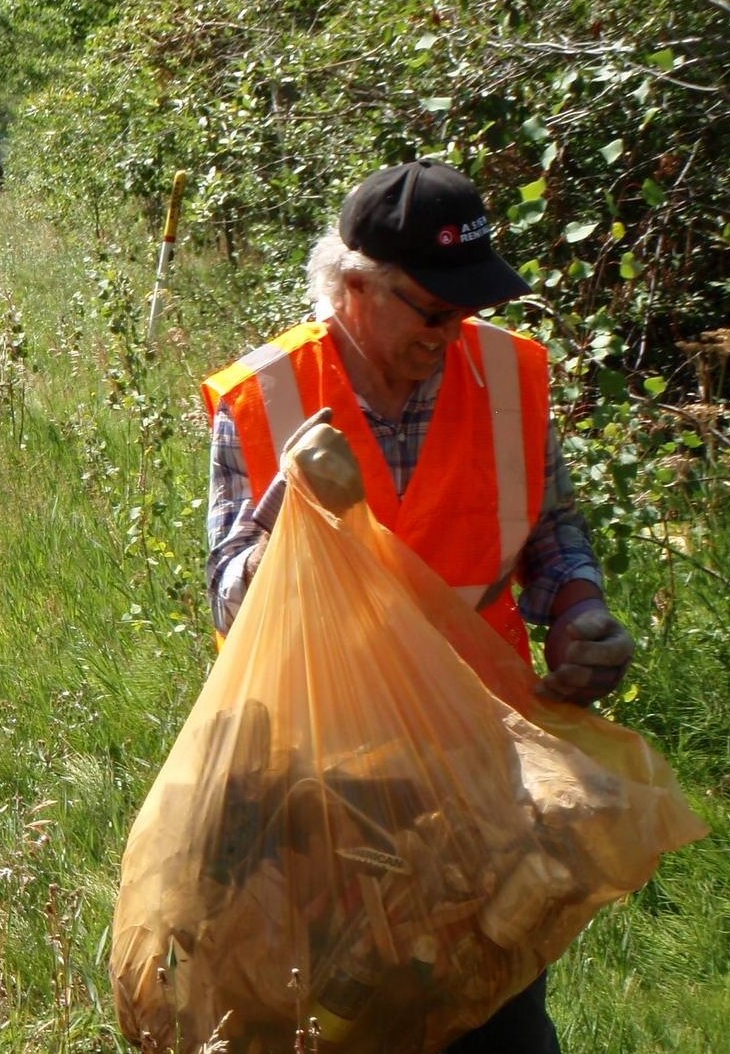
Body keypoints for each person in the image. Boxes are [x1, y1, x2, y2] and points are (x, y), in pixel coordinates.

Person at [201, 159, 636, 1052]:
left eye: (468, 308)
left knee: (493, 1005)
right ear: (353, 287)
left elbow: (550, 532)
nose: (453, 330)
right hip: (312, 767)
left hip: (478, 748)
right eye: (433, 310)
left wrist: (579, 611)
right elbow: (227, 599)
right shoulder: (266, 396)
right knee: (326, 1011)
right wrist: (287, 527)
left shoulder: (511, 379)